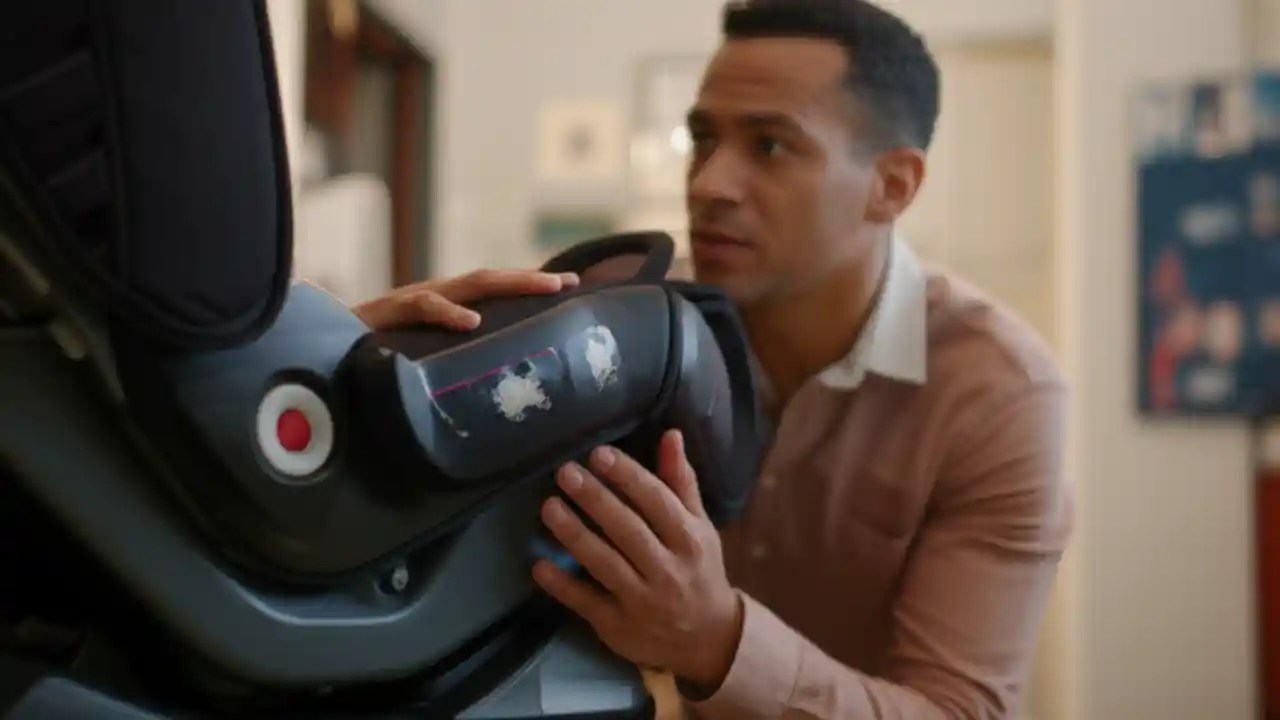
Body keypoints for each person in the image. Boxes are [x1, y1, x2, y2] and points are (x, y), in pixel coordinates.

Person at [358, 1, 1072, 717]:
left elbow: (957, 711)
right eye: (702, 139)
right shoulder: (626, 333)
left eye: (768, 146)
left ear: (893, 186)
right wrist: (365, 346)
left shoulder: (1000, 395)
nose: (706, 185)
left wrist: (716, 641)